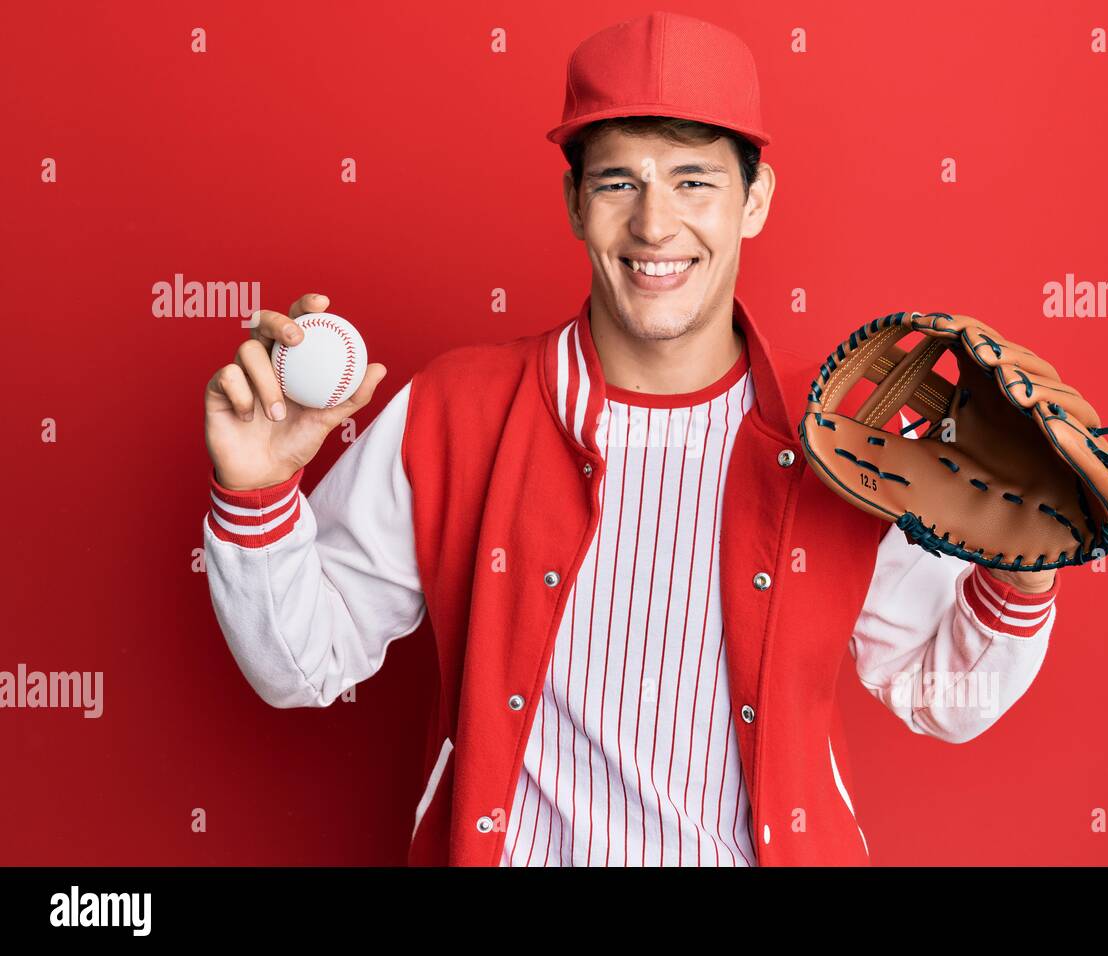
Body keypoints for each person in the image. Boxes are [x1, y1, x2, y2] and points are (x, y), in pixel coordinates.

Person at [201, 11, 1061, 867]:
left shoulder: (848, 432)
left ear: (754, 201)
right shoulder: (454, 407)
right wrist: (257, 493)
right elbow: (301, 668)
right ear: (576, 202)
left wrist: (1020, 569)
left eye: (695, 181)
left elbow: (945, 698)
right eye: (620, 182)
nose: (655, 225)